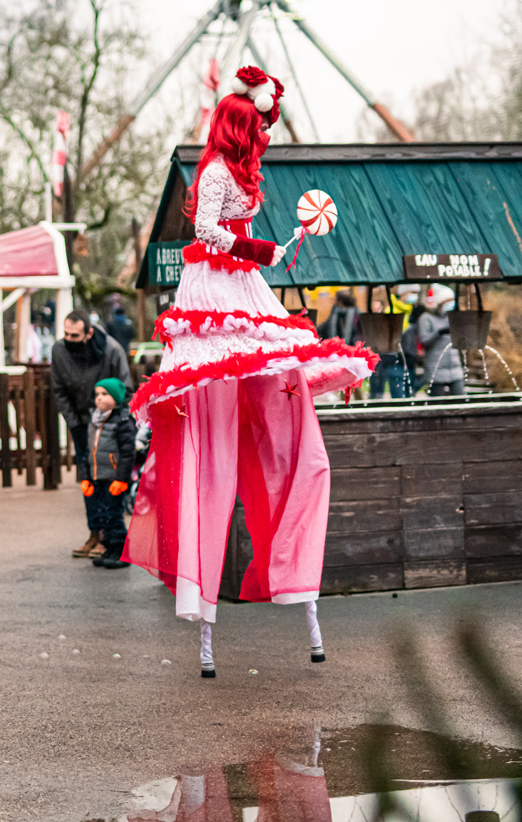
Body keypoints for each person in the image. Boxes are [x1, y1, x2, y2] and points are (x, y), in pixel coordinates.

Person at [122, 65, 375, 678]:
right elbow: (206, 229)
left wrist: (266, 251)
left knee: (293, 442)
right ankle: (205, 622)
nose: (264, 132)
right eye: (258, 123)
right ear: (240, 124)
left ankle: (299, 590)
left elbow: (233, 229)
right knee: (210, 455)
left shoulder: (237, 172)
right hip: (213, 291)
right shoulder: (212, 172)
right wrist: (254, 249)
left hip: (245, 287)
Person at [52, 308, 131, 557]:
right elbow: (59, 390)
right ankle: (94, 532)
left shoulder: (111, 350)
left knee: (109, 479)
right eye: (66, 334)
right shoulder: (59, 351)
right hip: (82, 424)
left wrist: (116, 421)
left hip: (109, 425)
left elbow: (125, 388)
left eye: (74, 335)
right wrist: (74, 423)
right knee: (88, 479)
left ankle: (110, 536)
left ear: (88, 333)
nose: (69, 339)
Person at [84, 378, 136, 570]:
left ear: (116, 398)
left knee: (113, 514)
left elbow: (128, 453)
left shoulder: (122, 421)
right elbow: (88, 452)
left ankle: (121, 550)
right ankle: (108, 547)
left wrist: (122, 479)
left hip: (114, 477)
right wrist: (86, 477)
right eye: (97, 394)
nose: (99, 398)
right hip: (98, 476)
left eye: (105, 394)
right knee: (102, 514)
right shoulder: (95, 419)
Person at [418, 284, 464, 397]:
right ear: (440, 303)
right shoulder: (426, 318)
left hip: (455, 368)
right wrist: (439, 332)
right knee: (438, 403)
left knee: (461, 400)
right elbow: (424, 341)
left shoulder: (452, 317)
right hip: (436, 369)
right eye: (448, 301)